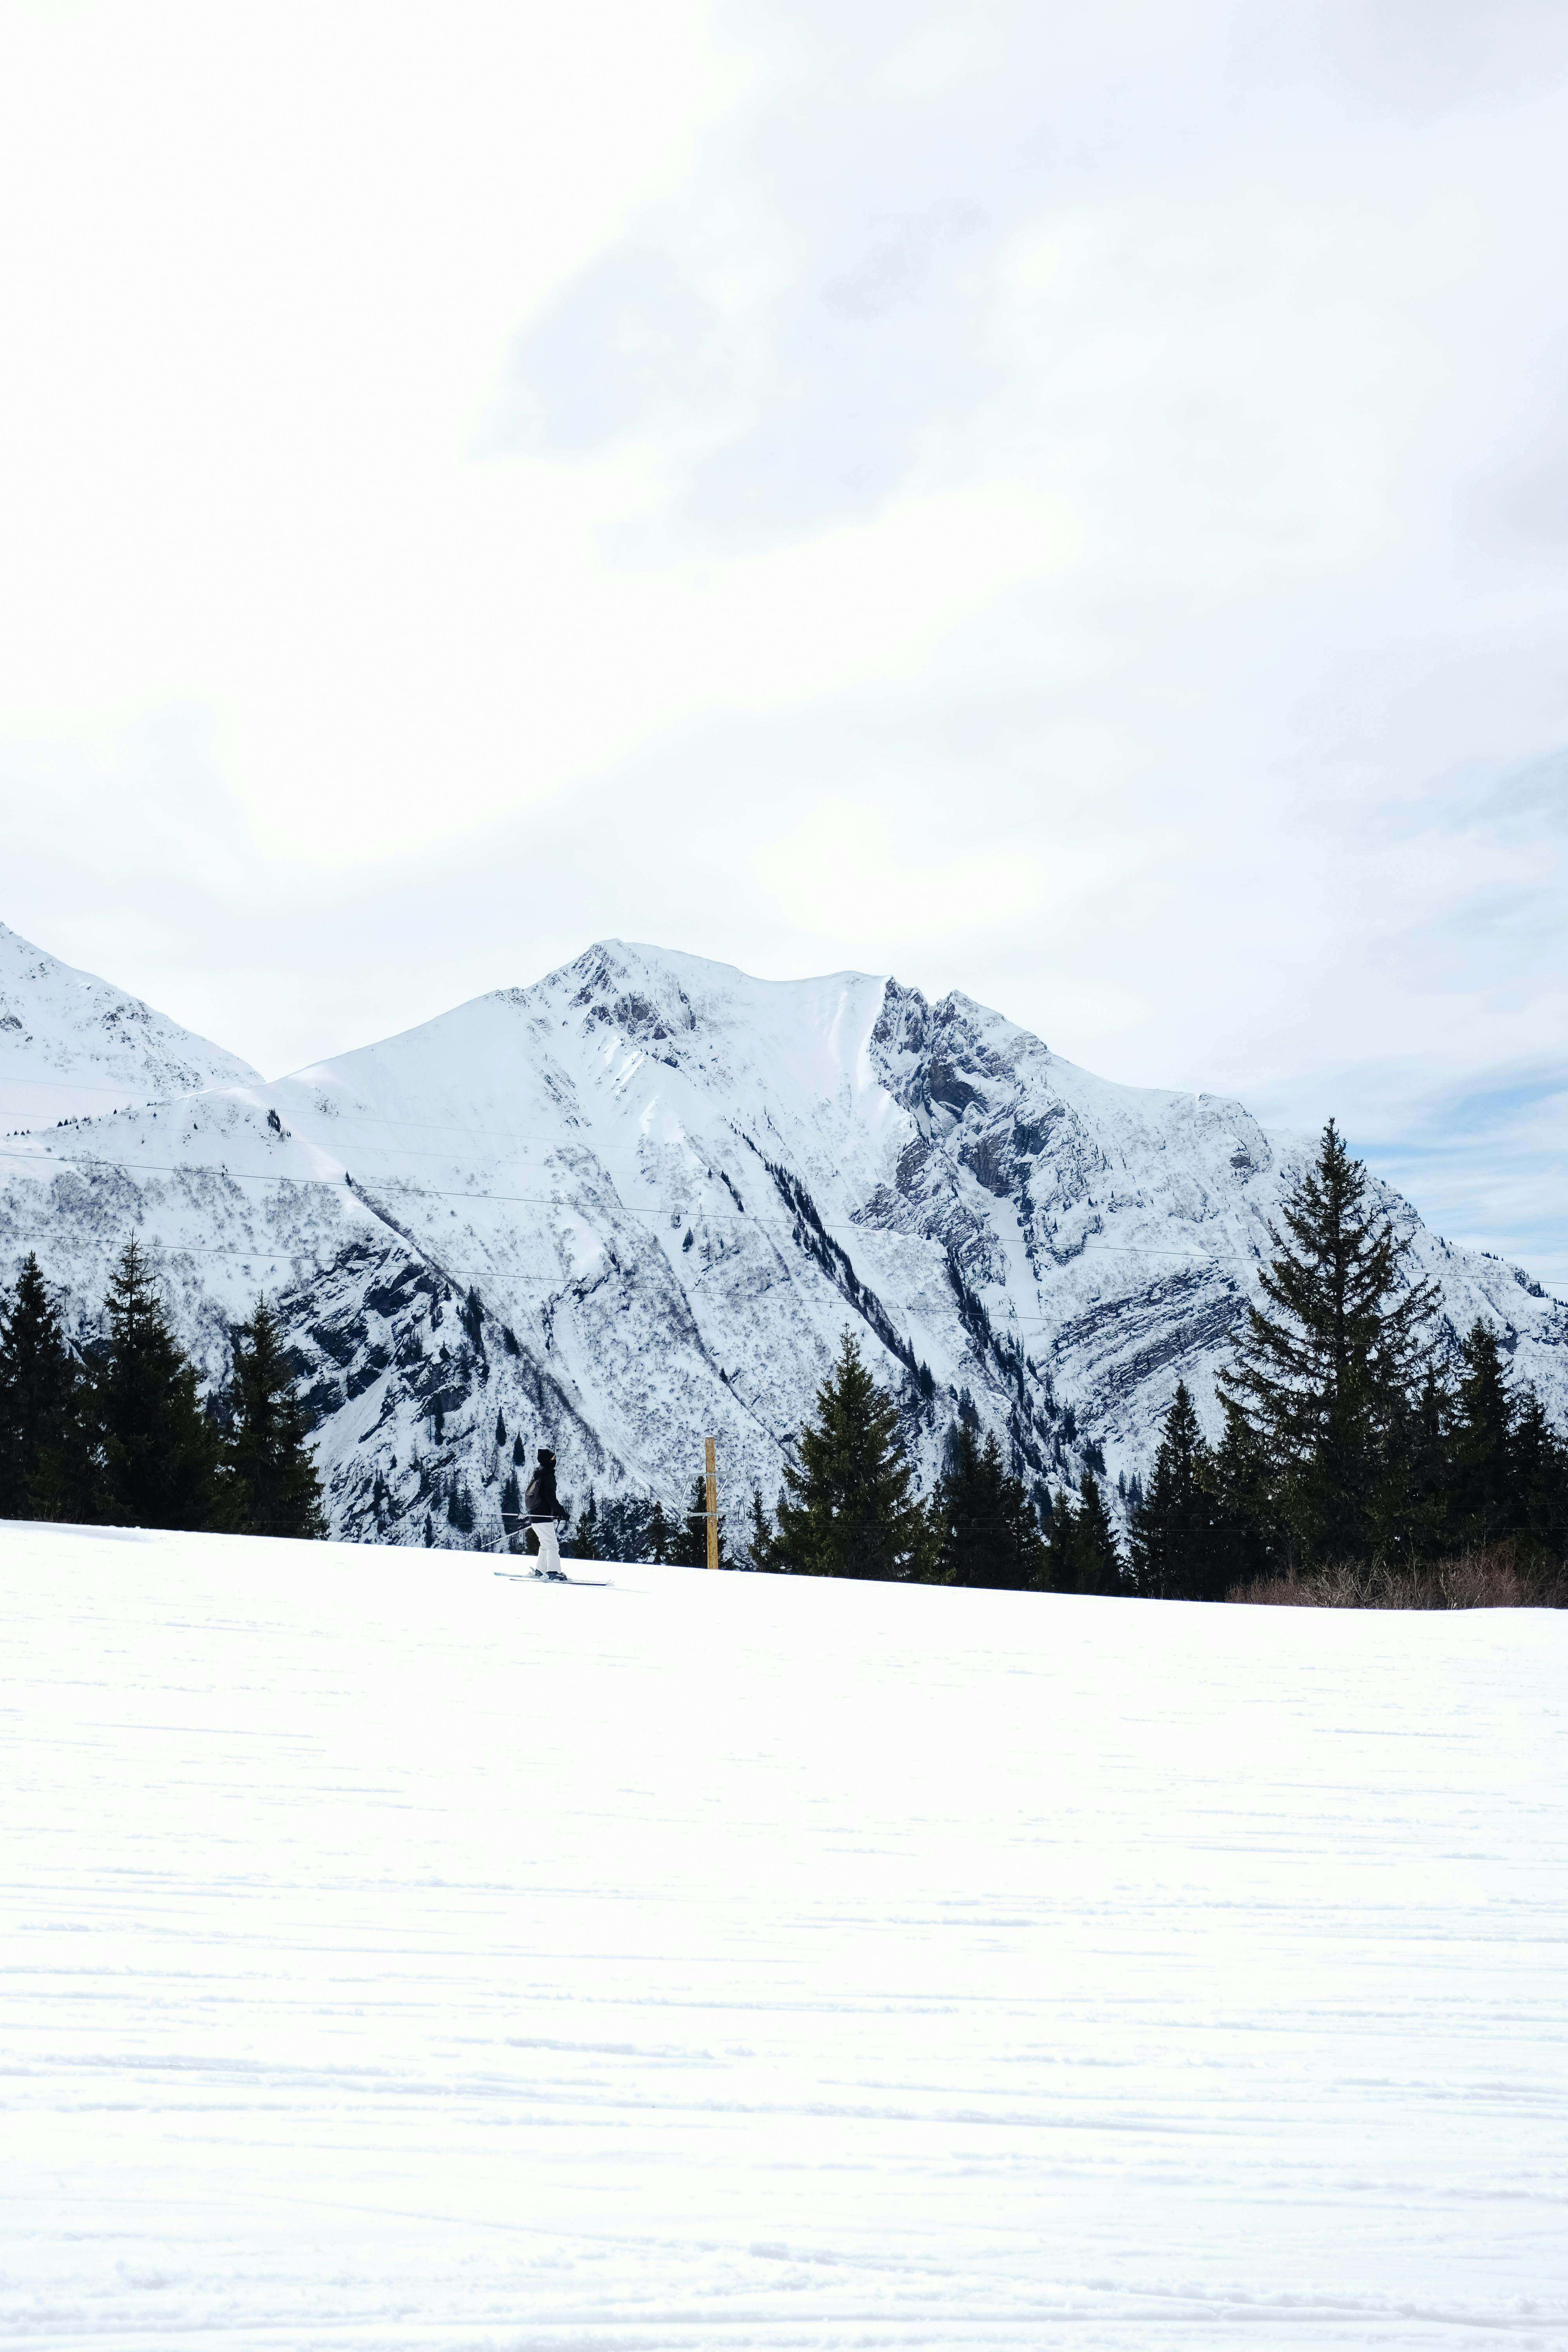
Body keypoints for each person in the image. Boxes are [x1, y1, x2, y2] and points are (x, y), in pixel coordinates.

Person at [523, 1446, 569, 1574]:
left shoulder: (540, 1474)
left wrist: (555, 1513)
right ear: (548, 1461)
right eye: (553, 1458)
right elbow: (550, 1498)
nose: (555, 1460)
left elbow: (544, 1498)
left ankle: (541, 1571)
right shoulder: (548, 1476)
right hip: (543, 1517)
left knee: (545, 1545)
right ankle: (554, 1572)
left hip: (535, 1516)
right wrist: (562, 1512)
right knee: (553, 1545)